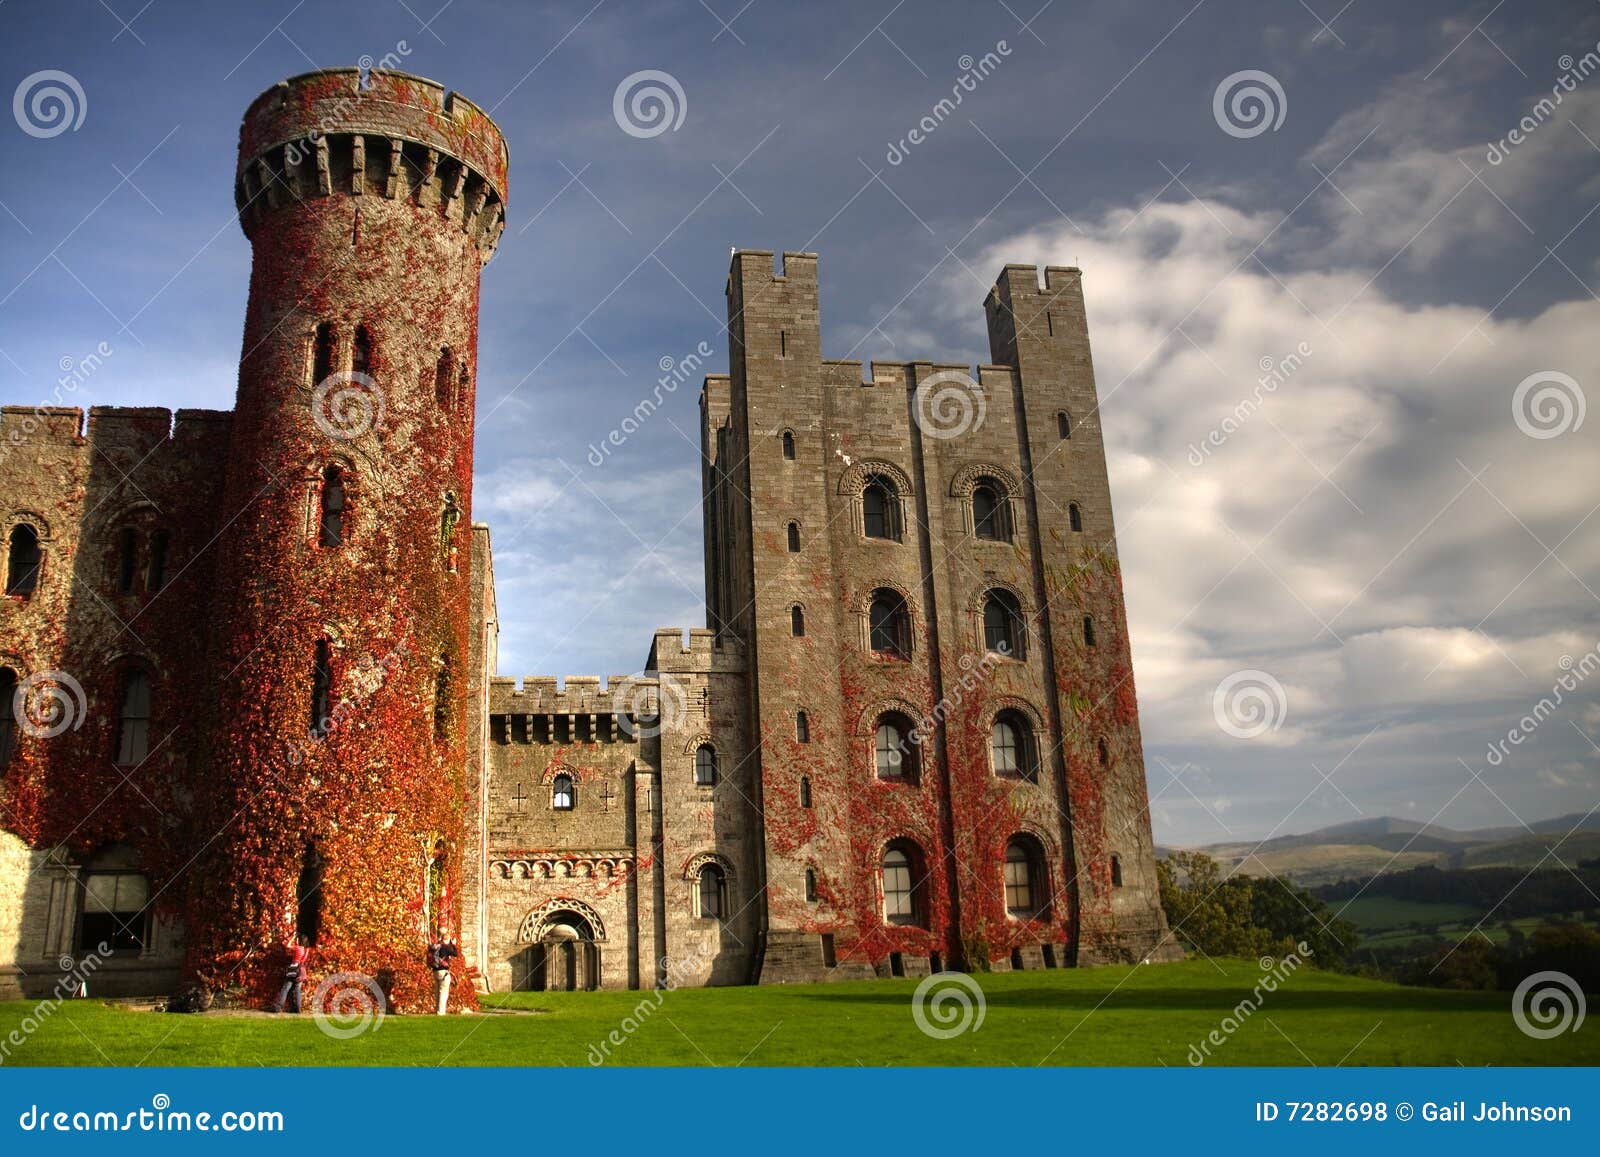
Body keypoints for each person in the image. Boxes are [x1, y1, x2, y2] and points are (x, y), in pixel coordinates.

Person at [273, 936, 310, 1013]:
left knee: (286, 988)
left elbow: (288, 945)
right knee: (298, 990)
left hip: (293, 969)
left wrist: (293, 936)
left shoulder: (297, 948)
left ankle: (278, 1007)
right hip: (301, 970)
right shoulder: (306, 950)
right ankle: (298, 1009)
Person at [427, 934, 459, 1015]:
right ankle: (441, 1012)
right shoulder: (446, 947)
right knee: (443, 992)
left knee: (437, 992)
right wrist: (454, 944)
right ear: (448, 939)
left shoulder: (436, 946)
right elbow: (455, 954)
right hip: (443, 972)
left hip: (435, 971)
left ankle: (437, 1009)